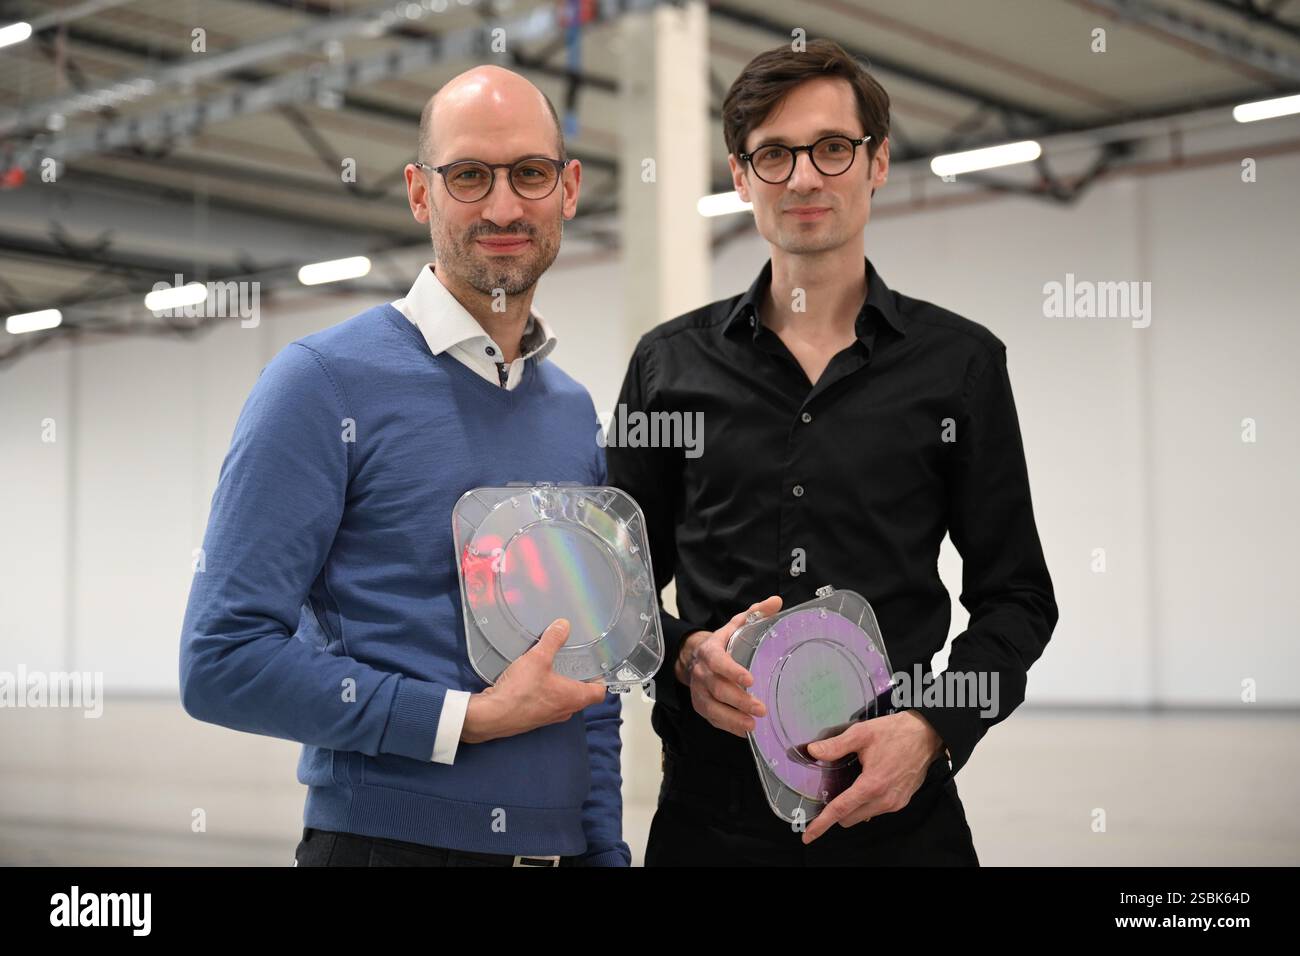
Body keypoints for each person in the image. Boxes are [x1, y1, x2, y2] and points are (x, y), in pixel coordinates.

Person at [606, 40, 1058, 866]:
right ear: (740, 177)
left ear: (877, 161)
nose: (805, 178)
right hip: (711, 820)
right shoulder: (666, 365)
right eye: (773, 155)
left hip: (901, 816)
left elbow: (1017, 598)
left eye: (831, 148)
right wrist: (682, 659)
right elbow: (618, 585)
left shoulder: (960, 366)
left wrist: (933, 728)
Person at [180, 65, 630, 867]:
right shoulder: (321, 383)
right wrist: (467, 720)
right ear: (421, 194)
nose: (502, 206)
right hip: (386, 849)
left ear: (569, 190)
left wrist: (602, 850)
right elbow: (222, 660)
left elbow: (587, 681)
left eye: (529, 174)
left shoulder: (569, 410)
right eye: (469, 176)